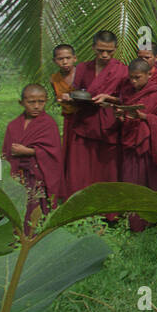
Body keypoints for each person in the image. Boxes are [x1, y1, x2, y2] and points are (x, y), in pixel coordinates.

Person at [72, 31, 130, 220]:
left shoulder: (121, 70)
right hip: (85, 122)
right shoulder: (82, 68)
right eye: (100, 51)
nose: (105, 55)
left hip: (108, 125)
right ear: (93, 48)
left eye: (109, 52)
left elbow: (125, 97)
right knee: (83, 169)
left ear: (115, 49)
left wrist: (109, 97)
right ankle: (81, 210)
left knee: (108, 170)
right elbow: (77, 90)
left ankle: (109, 212)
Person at [117, 58, 157, 233]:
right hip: (132, 143)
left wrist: (143, 117)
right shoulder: (127, 92)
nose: (133, 82)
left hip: (150, 144)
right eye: (131, 78)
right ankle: (135, 222)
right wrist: (121, 116)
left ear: (149, 75)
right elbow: (126, 116)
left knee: (152, 182)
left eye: (137, 78)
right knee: (132, 180)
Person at [2, 84, 65, 226]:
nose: (36, 106)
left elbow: (54, 152)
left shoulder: (48, 124)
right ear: (22, 103)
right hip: (17, 176)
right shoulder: (13, 125)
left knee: (36, 212)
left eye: (41, 102)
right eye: (31, 102)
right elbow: (6, 153)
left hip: (38, 177)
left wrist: (29, 151)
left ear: (46, 101)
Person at [49, 43, 89, 197]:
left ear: (74, 58)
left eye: (67, 58)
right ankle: (70, 190)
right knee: (69, 155)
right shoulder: (55, 79)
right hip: (69, 119)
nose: (64, 62)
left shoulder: (82, 74)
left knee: (83, 157)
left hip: (84, 118)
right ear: (55, 61)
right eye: (60, 59)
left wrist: (74, 98)